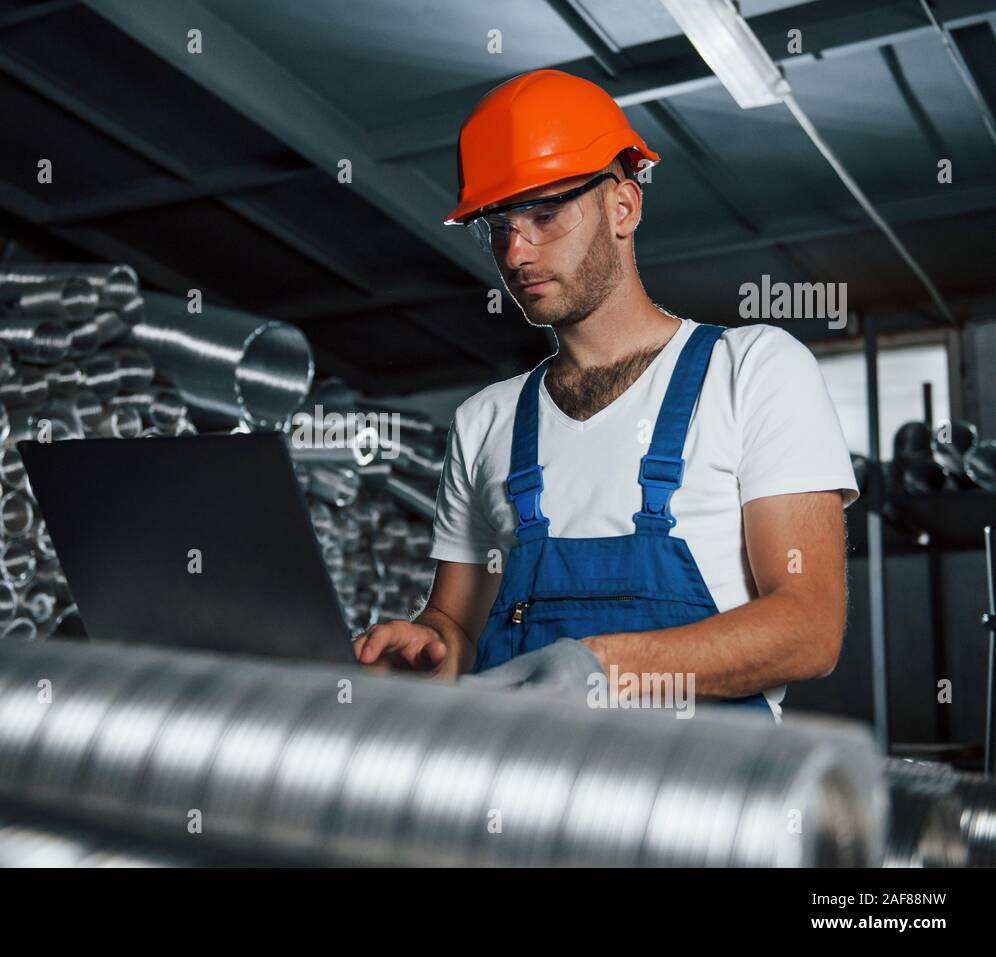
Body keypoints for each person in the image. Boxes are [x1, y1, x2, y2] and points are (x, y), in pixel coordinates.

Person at [352, 69, 858, 720]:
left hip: (705, 803)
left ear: (623, 207)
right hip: (526, 797)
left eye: (544, 212)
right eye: (495, 225)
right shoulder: (485, 420)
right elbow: (457, 626)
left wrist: (601, 668)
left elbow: (808, 628)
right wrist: (426, 650)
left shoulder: (753, 371)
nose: (516, 251)